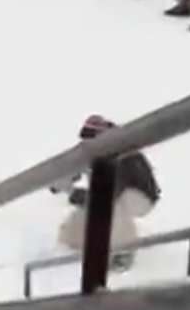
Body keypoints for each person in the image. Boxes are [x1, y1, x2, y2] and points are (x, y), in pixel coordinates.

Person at [49, 115, 161, 271]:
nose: (87, 145)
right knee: (83, 215)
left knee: (113, 210)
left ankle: (122, 253)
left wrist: (72, 192)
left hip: (139, 196)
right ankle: (70, 250)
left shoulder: (121, 153)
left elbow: (105, 196)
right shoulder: (97, 153)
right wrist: (60, 180)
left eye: (90, 141)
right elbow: (76, 170)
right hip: (112, 194)